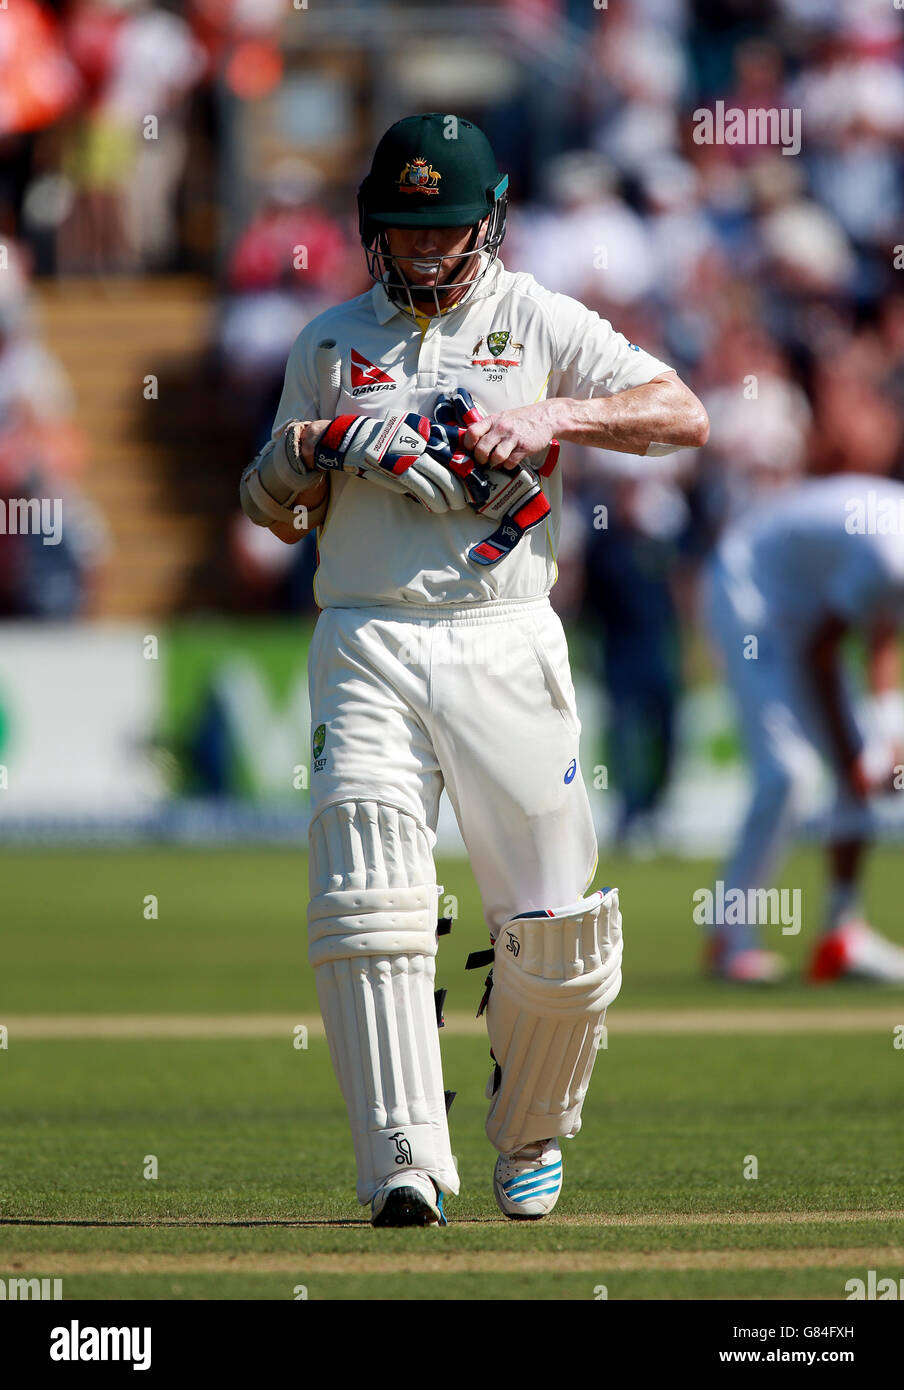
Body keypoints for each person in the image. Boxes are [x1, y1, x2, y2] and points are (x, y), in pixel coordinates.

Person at [239, 114, 709, 1226]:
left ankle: (531, 1124)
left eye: (447, 228)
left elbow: (680, 413)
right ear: (373, 229)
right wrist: (307, 451)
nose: (428, 250)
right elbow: (268, 511)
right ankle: (404, 1158)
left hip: (505, 635)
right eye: (407, 230)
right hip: (365, 634)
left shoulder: (537, 317)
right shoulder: (327, 341)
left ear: (488, 223)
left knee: (553, 927)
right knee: (367, 892)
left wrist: (553, 413)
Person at [704, 473, 904, 984]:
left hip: (805, 609)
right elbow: (824, 653)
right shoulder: (890, 553)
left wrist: (883, 731)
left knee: (860, 756)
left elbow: (881, 627)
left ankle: (842, 934)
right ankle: (729, 933)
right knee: (788, 774)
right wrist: (852, 760)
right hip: (748, 590)